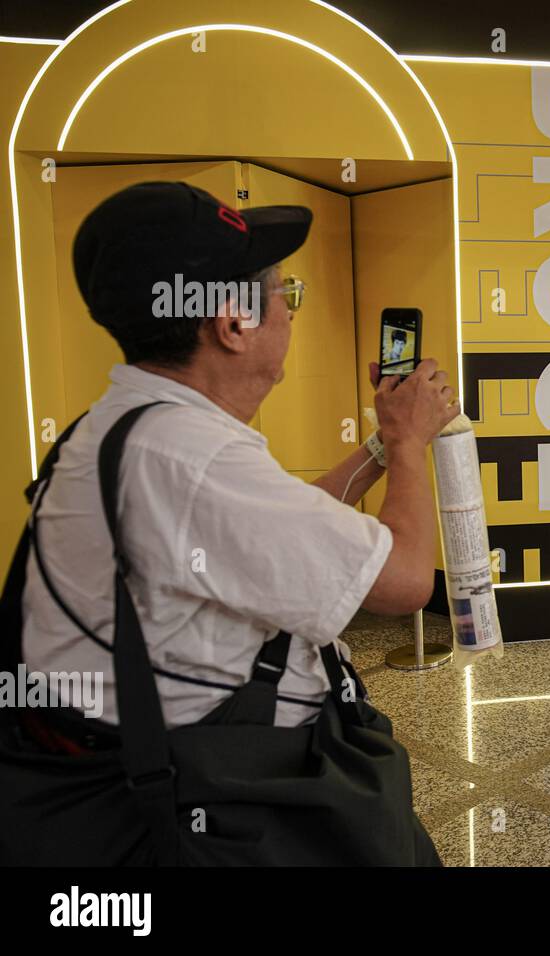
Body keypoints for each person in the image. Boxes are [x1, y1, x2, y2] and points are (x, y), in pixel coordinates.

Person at [6, 181, 457, 863]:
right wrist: (407, 444)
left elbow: (283, 530)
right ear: (232, 324)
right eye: (288, 296)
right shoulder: (195, 459)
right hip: (235, 804)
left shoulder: (125, 427)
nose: (292, 313)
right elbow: (405, 582)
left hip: (150, 766)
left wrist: (381, 440)